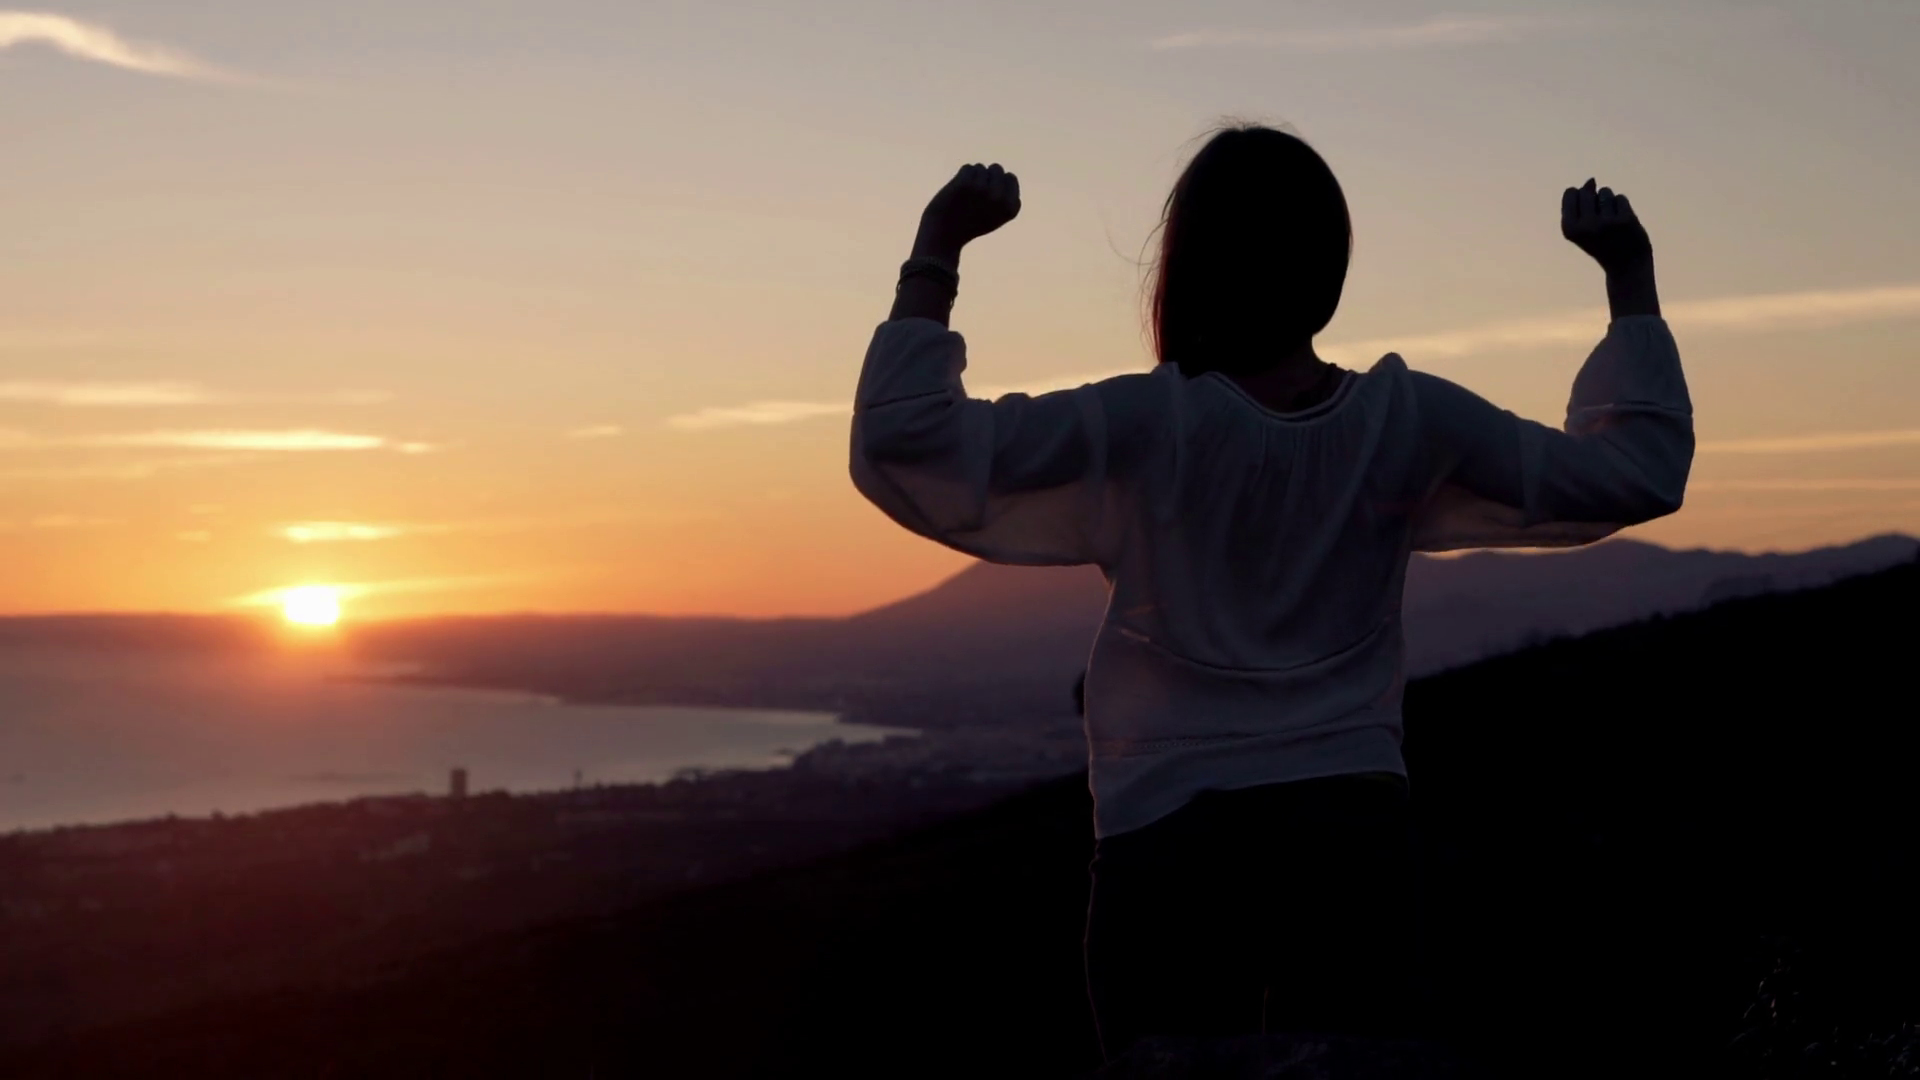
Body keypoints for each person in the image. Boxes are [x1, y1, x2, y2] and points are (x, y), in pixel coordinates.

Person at [849, 124, 1692, 1062]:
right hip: (1353, 856)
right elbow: (1634, 469)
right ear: (1327, 264)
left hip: (1168, 857)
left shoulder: (1149, 423)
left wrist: (938, 248)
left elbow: (908, 444)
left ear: (1192, 264)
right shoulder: (1406, 421)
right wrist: (1629, 275)